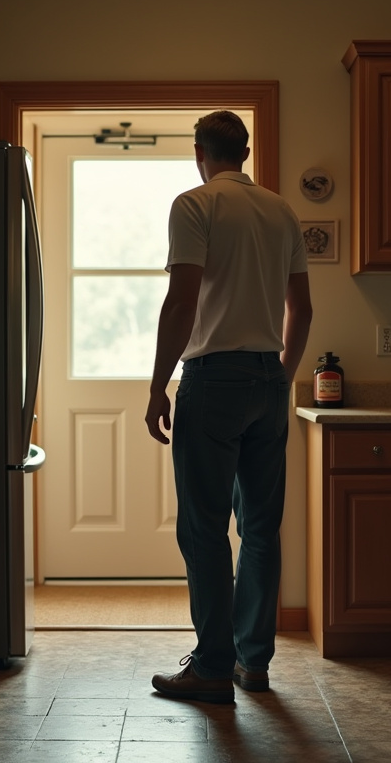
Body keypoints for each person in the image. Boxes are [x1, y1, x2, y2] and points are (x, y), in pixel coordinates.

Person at [144, 110, 313, 704]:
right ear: (243, 151)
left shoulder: (193, 205)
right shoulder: (282, 210)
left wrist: (156, 385)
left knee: (204, 529)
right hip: (269, 379)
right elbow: (304, 310)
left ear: (200, 152)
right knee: (262, 531)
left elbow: (182, 301)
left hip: (213, 382)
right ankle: (253, 664)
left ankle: (213, 666)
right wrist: (280, 380)